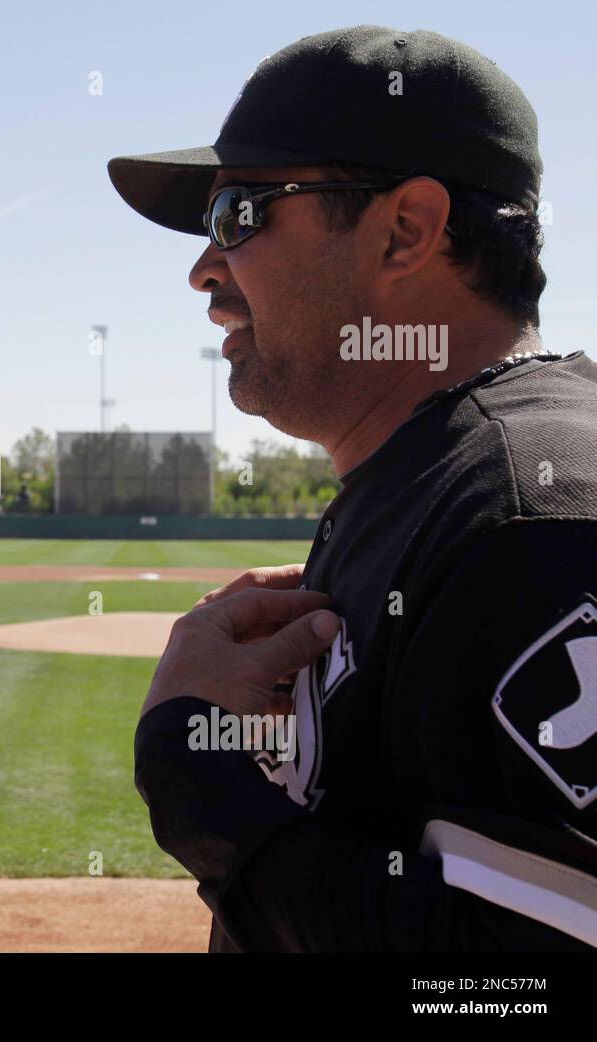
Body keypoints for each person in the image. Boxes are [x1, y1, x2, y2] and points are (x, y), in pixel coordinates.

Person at [110, 26, 596, 951]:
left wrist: (199, 789)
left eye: (240, 216)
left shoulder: (538, 519)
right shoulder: (424, 477)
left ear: (406, 229)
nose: (205, 273)